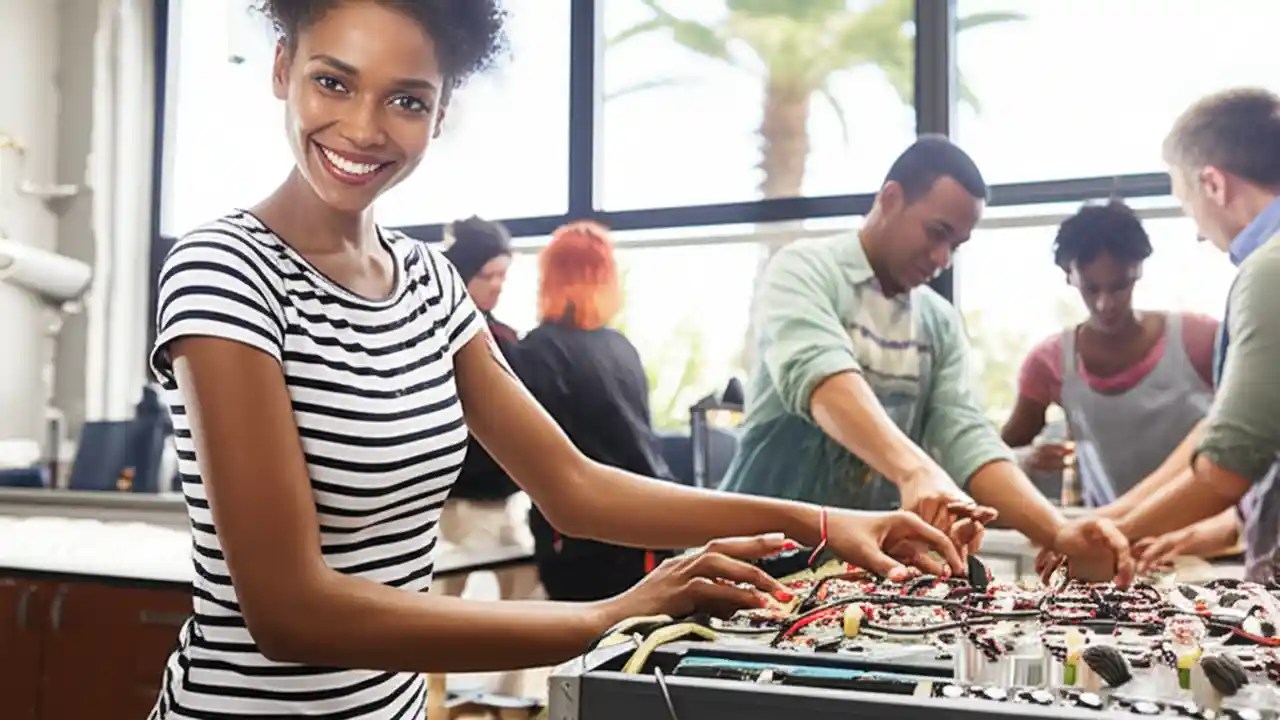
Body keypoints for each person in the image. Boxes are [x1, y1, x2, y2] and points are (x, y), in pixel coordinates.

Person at [146, 1, 983, 716]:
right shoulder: (223, 269)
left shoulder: (431, 286)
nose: (363, 127)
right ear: (283, 67)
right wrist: (606, 616)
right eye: (333, 81)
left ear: (441, 113)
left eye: (406, 99)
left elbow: (573, 488)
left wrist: (827, 524)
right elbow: (288, 609)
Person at [718, 136, 1131, 579]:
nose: (942, 259)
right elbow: (822, 378)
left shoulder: (939, 321)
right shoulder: (803, 270)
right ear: (890, 199)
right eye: (937, 233)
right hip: (752, 560)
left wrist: (1057, 531)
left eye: (956, 245)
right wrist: (914, 471)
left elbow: (966, 435)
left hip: (855, 577)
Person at [1054, 87, 1280, 583]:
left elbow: (1228, 463)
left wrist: (1116, 536)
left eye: (1187, 202)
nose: (1198, 230)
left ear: (1214, 184)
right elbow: (1227, 429)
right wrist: (1111, 521)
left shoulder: (1269, 269)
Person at [1001, 200, 1217, 507]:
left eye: (1119, 286)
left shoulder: (1200, 340)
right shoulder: (1049, 362)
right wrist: (1026, 459)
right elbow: (1001, 451)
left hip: (1206, 534)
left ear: (1138, 269)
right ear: (1069, 275)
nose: (1105, 304)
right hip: (1112, 534)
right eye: (1091, 288)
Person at [509, 221, 678, 601]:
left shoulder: (540, 350)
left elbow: (536, 458)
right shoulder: (621, 348)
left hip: (584, 539)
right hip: (647, 520)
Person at [436, 215, 540, 697]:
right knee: (439, 612)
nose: (498, 286)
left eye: (503, 276)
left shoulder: (508, 339)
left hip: (505, 503)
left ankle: (509, 701)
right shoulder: (439, 338)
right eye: (488, 276)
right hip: (457, 506)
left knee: (526, 599)